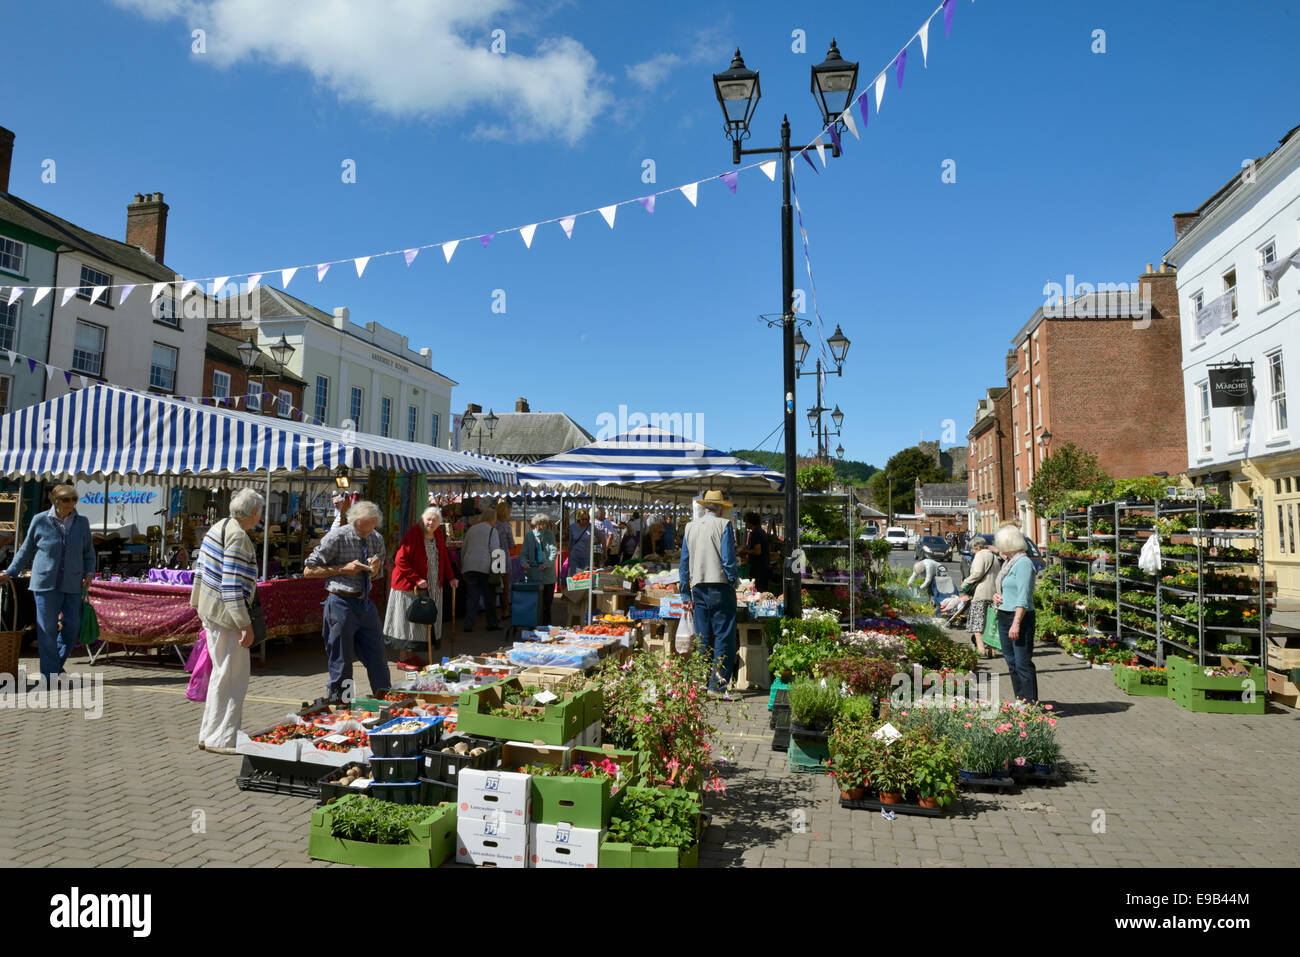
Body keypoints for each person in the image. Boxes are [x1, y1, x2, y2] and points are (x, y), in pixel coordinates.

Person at [189, 489, 263, 754]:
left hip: (212, 610)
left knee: (221, 673)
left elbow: (201, 571)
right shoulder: (238, 537)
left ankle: (210, 733)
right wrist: (244, 623)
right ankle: (223, 738)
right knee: (232, 677)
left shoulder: (219, 526)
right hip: (226, 614)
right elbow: (231, 585)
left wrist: (199, 605)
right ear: (255, 513)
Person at [0, 485, 96, 685]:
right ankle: (50, 675)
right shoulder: (40, 520)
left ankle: (55, 663)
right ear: (56, 501)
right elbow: (26, 550)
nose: (71, 503)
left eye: (74, 499)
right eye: (66, 499)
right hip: (44, 583)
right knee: (47, 629)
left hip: (72, 582)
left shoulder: (82, 522)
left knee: (73, 625)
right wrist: (10, 572)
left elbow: (88, 551)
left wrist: (89, 571)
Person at [304, 500, 390, 704]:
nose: (365, 535)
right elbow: (308, 570)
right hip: (340, 602)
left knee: (377, 656)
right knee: (342, 661)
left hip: (365, 602)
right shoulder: (337, 537)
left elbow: (377, 573)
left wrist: (376, 569)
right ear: (352, 522)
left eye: (369, 529)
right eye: (361, 530)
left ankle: (385, 700)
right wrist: (343, 569)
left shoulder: (376, 538)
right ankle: (342, 704)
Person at [680, 490, 739, 695]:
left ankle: (700, 681)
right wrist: (733, 581)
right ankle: (717, 685)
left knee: (703, 635)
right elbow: (728, 559)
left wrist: (685, 593)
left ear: (705, 507)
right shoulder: (724, 525)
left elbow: (684, 563)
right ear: (721, 507)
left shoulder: (690, 527)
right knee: (723, 635)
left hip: (698, 585)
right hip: (720, 585)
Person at [385, 506, 457, 669]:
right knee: (408, 622)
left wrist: (451, 577)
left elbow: (443, 556)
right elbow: (400, 560)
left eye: (435, 520)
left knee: (420, 623)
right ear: (422, 519)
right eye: (428, 519)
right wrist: (416, 579)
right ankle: (403, 659)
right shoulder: (413, 533)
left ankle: (413, 656)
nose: (431, 522)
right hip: (409, 586)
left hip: (432, 586)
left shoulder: (438, 534)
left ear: (439, 523)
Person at [993, 523, 1038, 702]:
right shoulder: (1008, 563)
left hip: (1019, 617)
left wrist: (1016, 622)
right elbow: (1007, 588)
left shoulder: (1023, 563)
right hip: (1004, 614)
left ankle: (1030, 702)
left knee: (1022, 663)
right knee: (1011, 662)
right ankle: (1020, 699)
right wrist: (998, 596)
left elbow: (1024, 596)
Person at [461, 506, 502, 632]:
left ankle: (468, 624)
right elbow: (495, 551)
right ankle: (491, 624)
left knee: (472, 597)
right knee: (489, 597)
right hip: (484, 567)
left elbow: (464, 549)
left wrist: (463, 566)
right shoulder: (492, 531)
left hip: (469, 566)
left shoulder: (472, 529)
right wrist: (498, 571)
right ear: (492, 519)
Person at [960, 537, 1001, 659]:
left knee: (978, 622)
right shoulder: (994, 557)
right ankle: (992, 650)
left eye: (973, 549)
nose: (972, 552)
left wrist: (965, 583)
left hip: (981, 593)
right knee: (990, 622)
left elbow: (977, 573)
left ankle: (981, 649)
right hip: (994, 593)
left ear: (978, 547)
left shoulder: (980, 555)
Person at [522, 514, 558, 626]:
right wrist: (524, 563)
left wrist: (547, 563)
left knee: (547, 603)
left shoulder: (549, 534)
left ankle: (547, 625)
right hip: (534, 575)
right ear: (535, 524)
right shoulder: (529, 536)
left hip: (548, 575)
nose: (542, 527)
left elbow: (553, 551)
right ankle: (534, 624)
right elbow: (523, 553)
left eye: (544, 524)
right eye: (539, 524)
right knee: (535, 602)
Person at [735, 511, 772, 593]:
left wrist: (744, 551)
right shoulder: (760, 531)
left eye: (746, 522)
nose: (746, 524)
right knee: (761, 590)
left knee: (758, 591)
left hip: (759, 568)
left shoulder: (755, 533)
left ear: (751, 522)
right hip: (763, 567)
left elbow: (758, 551)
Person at [495, 502, 515, 616]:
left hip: (493, 556)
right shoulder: (506, 526)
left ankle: (494, 611)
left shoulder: (492, 524)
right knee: (505, 586)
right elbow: (511, 544)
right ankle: (505, 610)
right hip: (503, 557)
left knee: (494, 585)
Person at [567, 509, 593, 579]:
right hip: (575, 556)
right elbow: (570, 542)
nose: (585, 521)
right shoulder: (573, 527)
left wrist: (593, 543)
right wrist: (569, 557)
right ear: (579, 518)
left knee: (585, 577)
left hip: (586, 557)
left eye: (587, 519)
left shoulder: (591, 527)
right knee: (574, 577)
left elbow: (601, 537)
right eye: (583, 519)